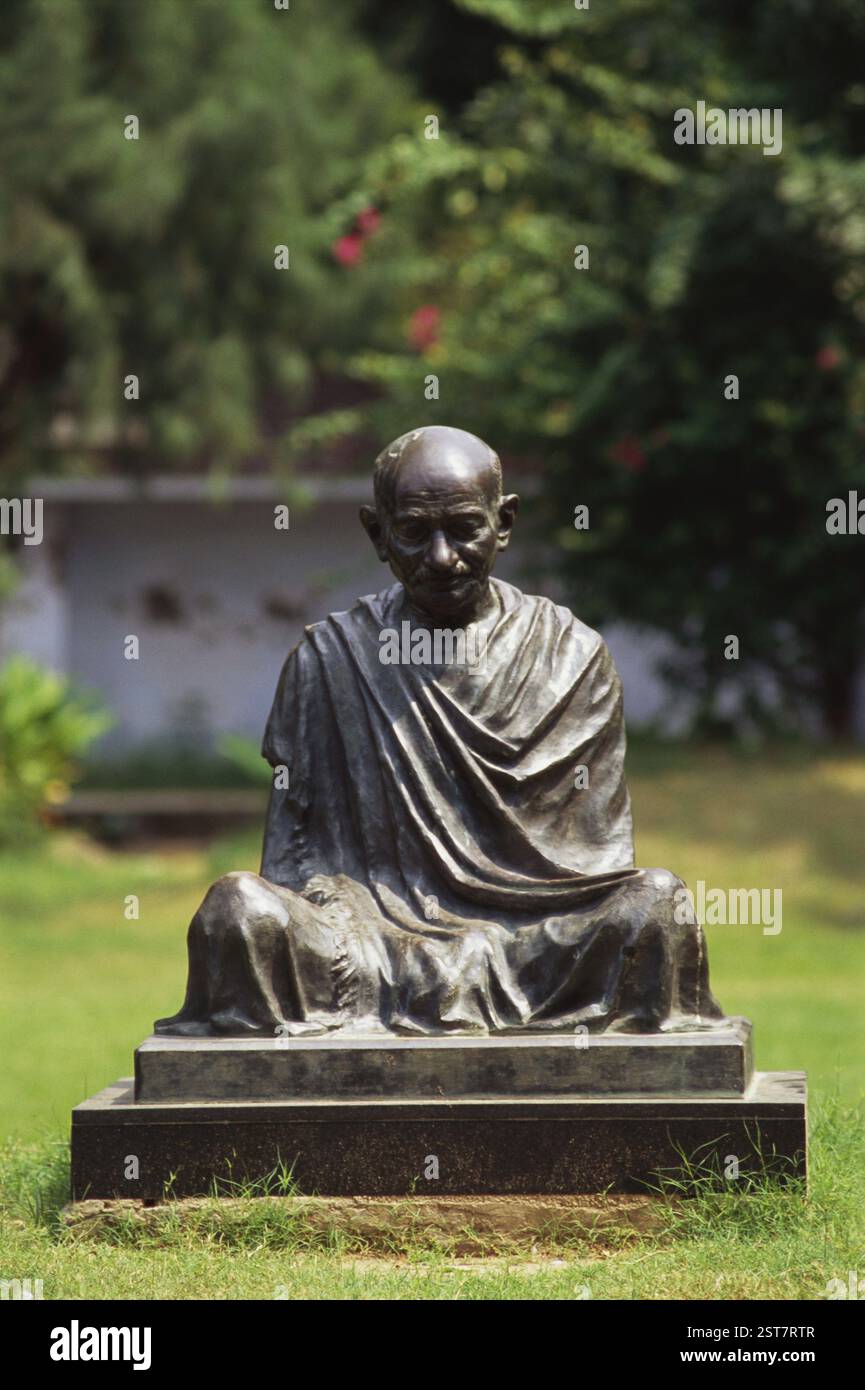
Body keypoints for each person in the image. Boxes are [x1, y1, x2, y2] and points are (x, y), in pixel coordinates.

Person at [156, 425, 726, 1037]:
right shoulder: (329, 658)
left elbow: (594, 863)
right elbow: (294, 863)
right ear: (377, 533)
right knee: (237, 910)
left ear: (503, 523)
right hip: (370, 936)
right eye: (413, 532)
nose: (440, 557)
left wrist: (480, 939)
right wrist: (372, 928)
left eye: (464, 529)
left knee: (656, 907)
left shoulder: (570, 655)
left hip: (536, 941)